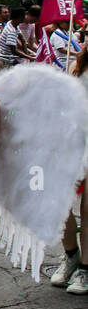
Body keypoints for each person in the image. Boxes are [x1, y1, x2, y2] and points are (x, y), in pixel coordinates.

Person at [51, 45, 88, 295]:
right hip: (73, 141)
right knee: (60, 203)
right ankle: (71, 255)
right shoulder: (78, 65)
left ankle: (85, 269)